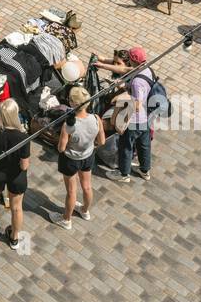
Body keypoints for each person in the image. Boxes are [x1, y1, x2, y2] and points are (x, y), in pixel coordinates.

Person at [94, 47, 154, 183]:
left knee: (125, 146)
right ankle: (145, 170)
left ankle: (123, 174)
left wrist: (122, 97)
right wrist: (103, 65)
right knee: (144, 145)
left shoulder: (138, 82)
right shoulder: (146, 69)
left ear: (132, 60)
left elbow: (137, 105)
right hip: (145, 118)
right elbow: (124, 70)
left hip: (134, 119)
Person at [48, 86, 105, 228]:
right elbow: (102, 141)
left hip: (70, 160)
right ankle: (85, 211)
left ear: (73, 103)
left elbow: (61, 148)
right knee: (87, 186)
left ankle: (66, 219)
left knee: (71, 191)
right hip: (88, 156)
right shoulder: (96, 118)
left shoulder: (69, 125)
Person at [0, 99, 29, 249]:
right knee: (16, 208)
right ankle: (14, 238)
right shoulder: (23, 137)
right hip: (16, 175)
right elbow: (24, 165)